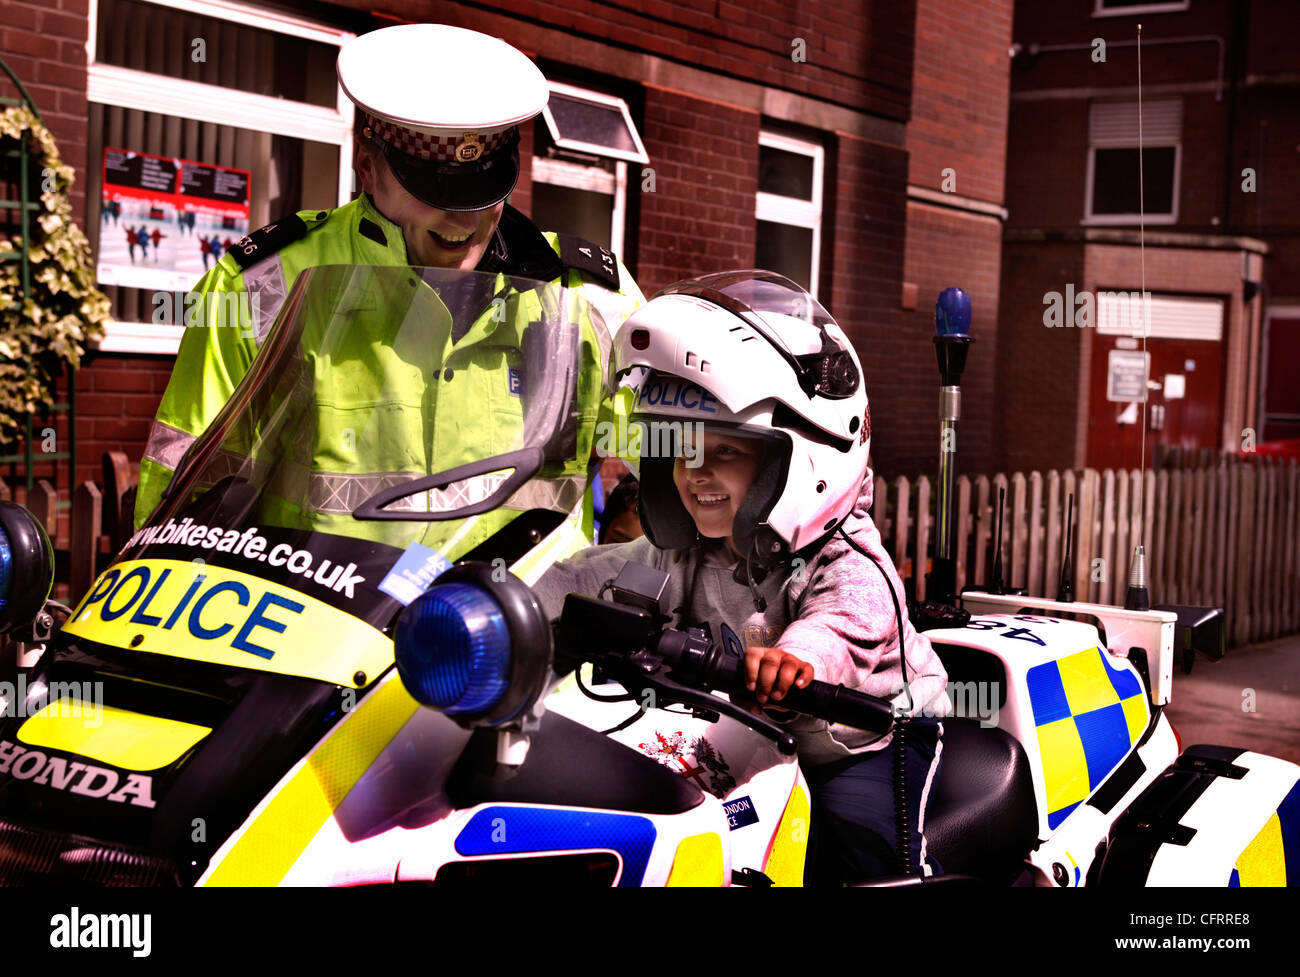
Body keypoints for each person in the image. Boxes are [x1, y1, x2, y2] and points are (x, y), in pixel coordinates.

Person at [134, 23, 645, 530]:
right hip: (321, 609)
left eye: (485, 191)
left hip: (529, 610)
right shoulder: (263, 286)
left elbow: (676, 467)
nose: (465, 222)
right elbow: (185, 505)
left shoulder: (594, 298)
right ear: (368, 167)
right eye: (436, 191)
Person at [531, 271, 952, 883]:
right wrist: (498, 595)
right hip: (750, 738)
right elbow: (589, 576)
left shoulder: (848, 560)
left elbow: (846, 623)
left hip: (866, 742)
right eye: (680, 451)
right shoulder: (685, 554)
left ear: (802, 456)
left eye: (725, 451)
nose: (694, 472)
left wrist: (794, 659)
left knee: (856, 857)